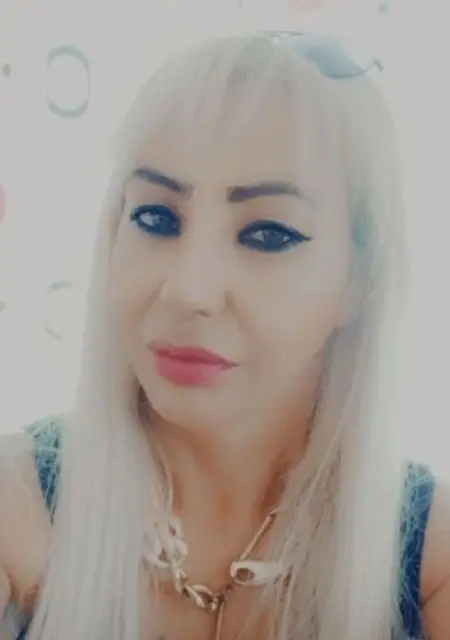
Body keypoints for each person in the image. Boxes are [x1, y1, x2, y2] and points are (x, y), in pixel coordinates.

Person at [0, 31, 449, 640]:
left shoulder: (430, 557)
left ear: (359, 281)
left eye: (269, 234)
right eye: (156, 217)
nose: (189, 290)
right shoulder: (18, 505)